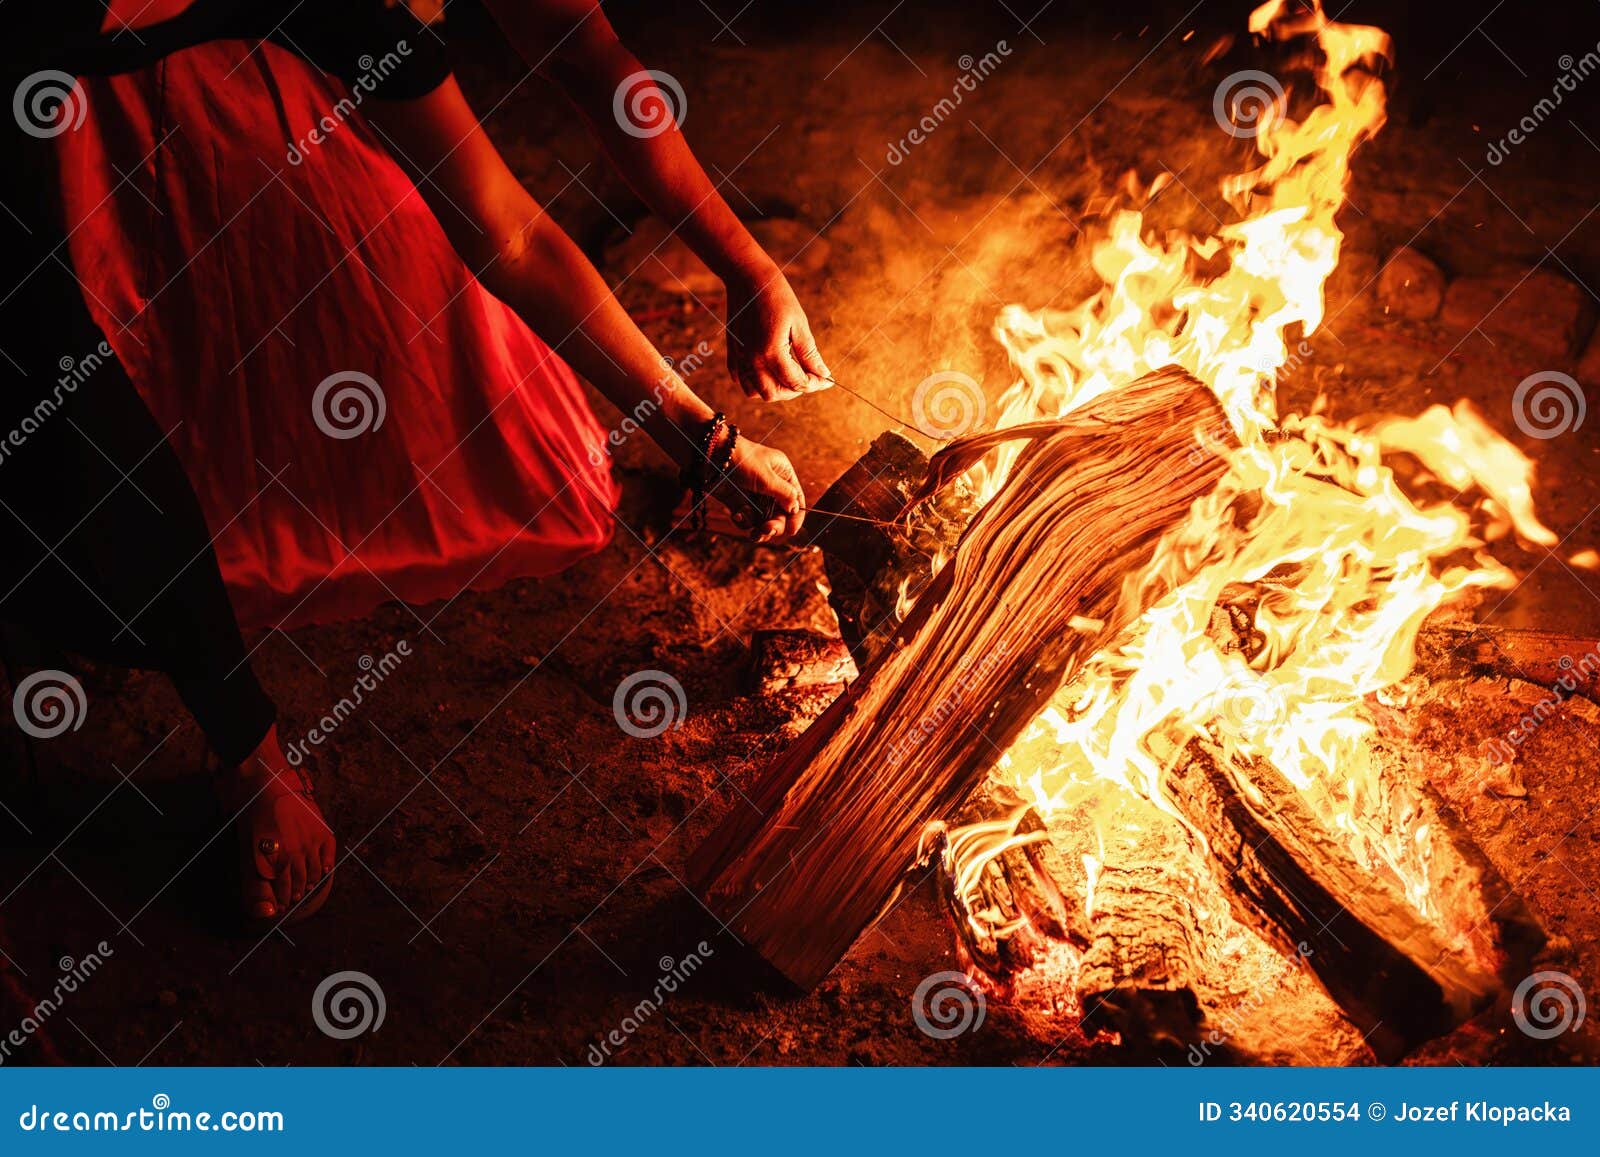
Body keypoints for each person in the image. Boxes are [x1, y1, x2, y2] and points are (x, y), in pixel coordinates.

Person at [0, 0, 829, 928]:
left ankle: (247, 750)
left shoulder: (358, 15)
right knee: (62, 412)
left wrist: (704, 414)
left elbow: (511, 212)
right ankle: (249, 750)